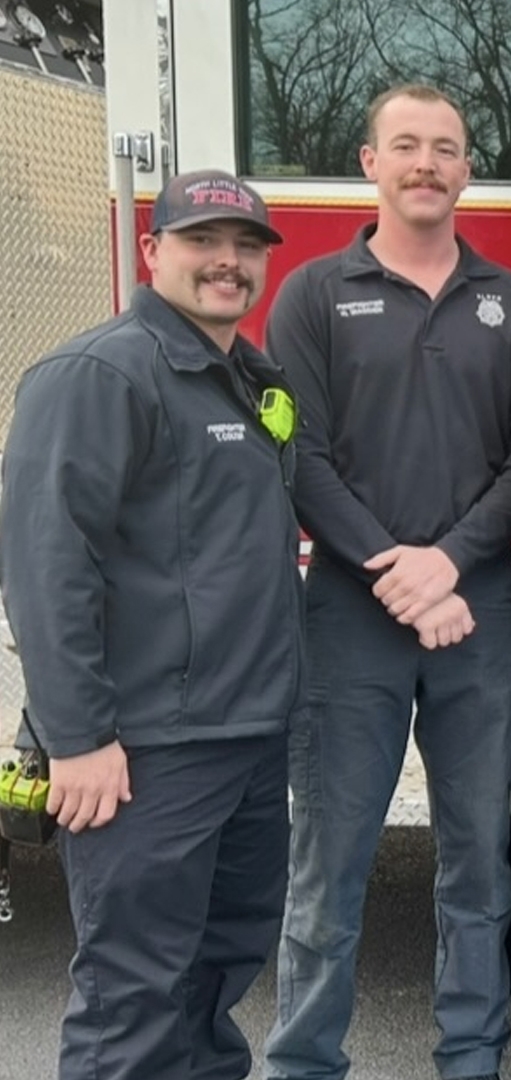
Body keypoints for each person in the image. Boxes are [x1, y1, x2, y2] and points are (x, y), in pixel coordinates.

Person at [261, 84, 511, 1080]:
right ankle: (304, 1063)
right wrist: (392, 568)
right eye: (407, 147)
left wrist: (447, 562)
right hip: (351, 613)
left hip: (474, 608)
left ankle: (470, 1059)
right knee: (328, 866)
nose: (427, 164)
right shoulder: (310, 294)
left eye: (447, 148)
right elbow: (297, 458)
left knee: (479, 864)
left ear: (469, 169)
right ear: (370, 162)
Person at [0, 169, 301, 1080]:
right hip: (147, 752)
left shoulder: (247, 377)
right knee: (133, 994)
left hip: (245, 740)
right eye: (203, 242)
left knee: (216, 978)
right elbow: (46, 569)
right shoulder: (98, 374)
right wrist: (79, 738)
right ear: (150, 251)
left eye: (246, 247)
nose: (227, 263)